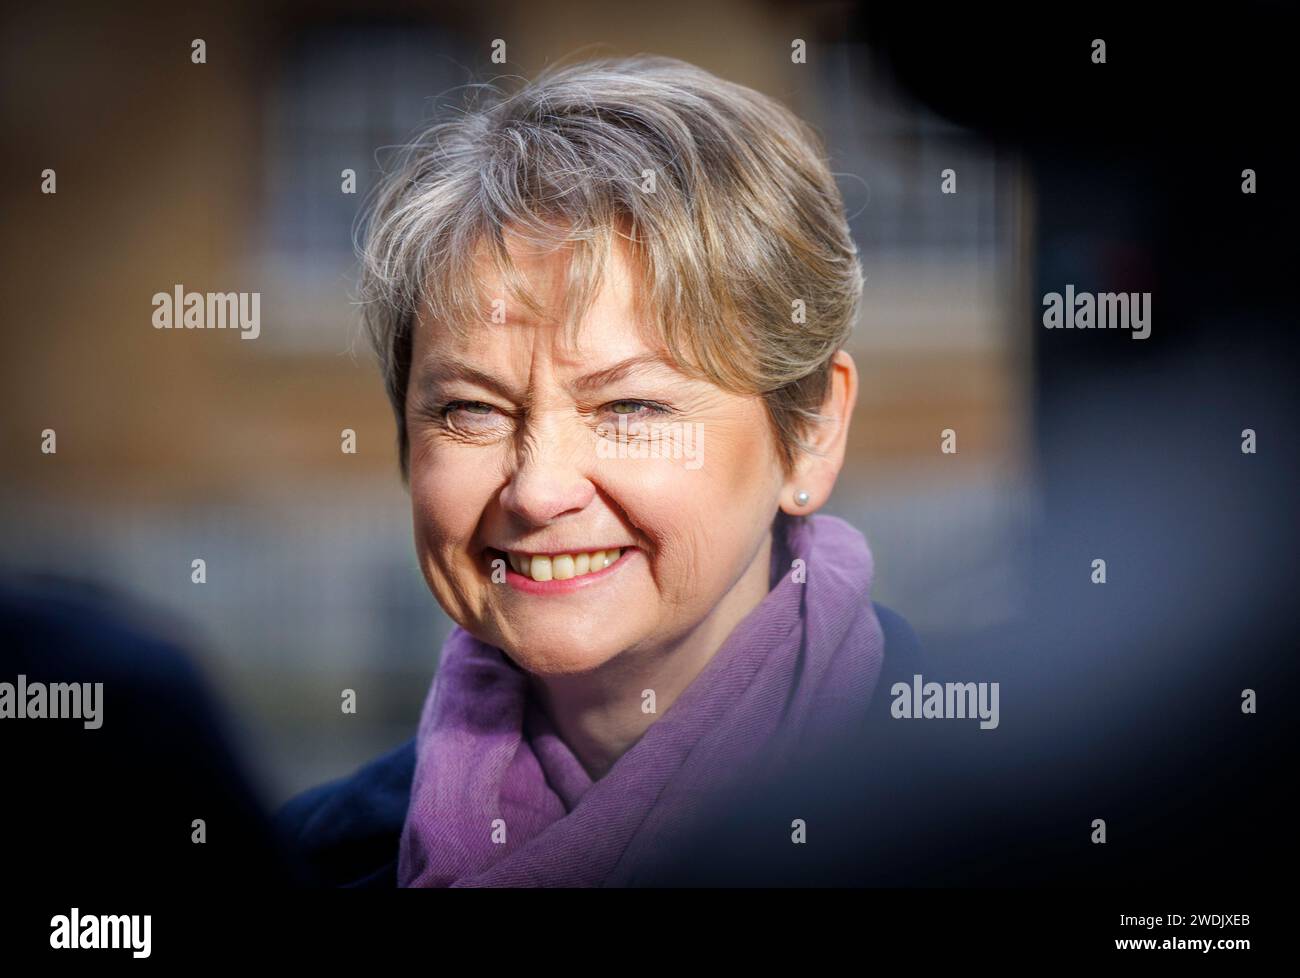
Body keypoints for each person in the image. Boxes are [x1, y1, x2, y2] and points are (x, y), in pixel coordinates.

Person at [275, 55, 922, 887]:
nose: (539, 491)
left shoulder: (1019, 826)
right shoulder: (306, 865)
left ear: (811, 433)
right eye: (472, 410)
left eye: (631, 410)